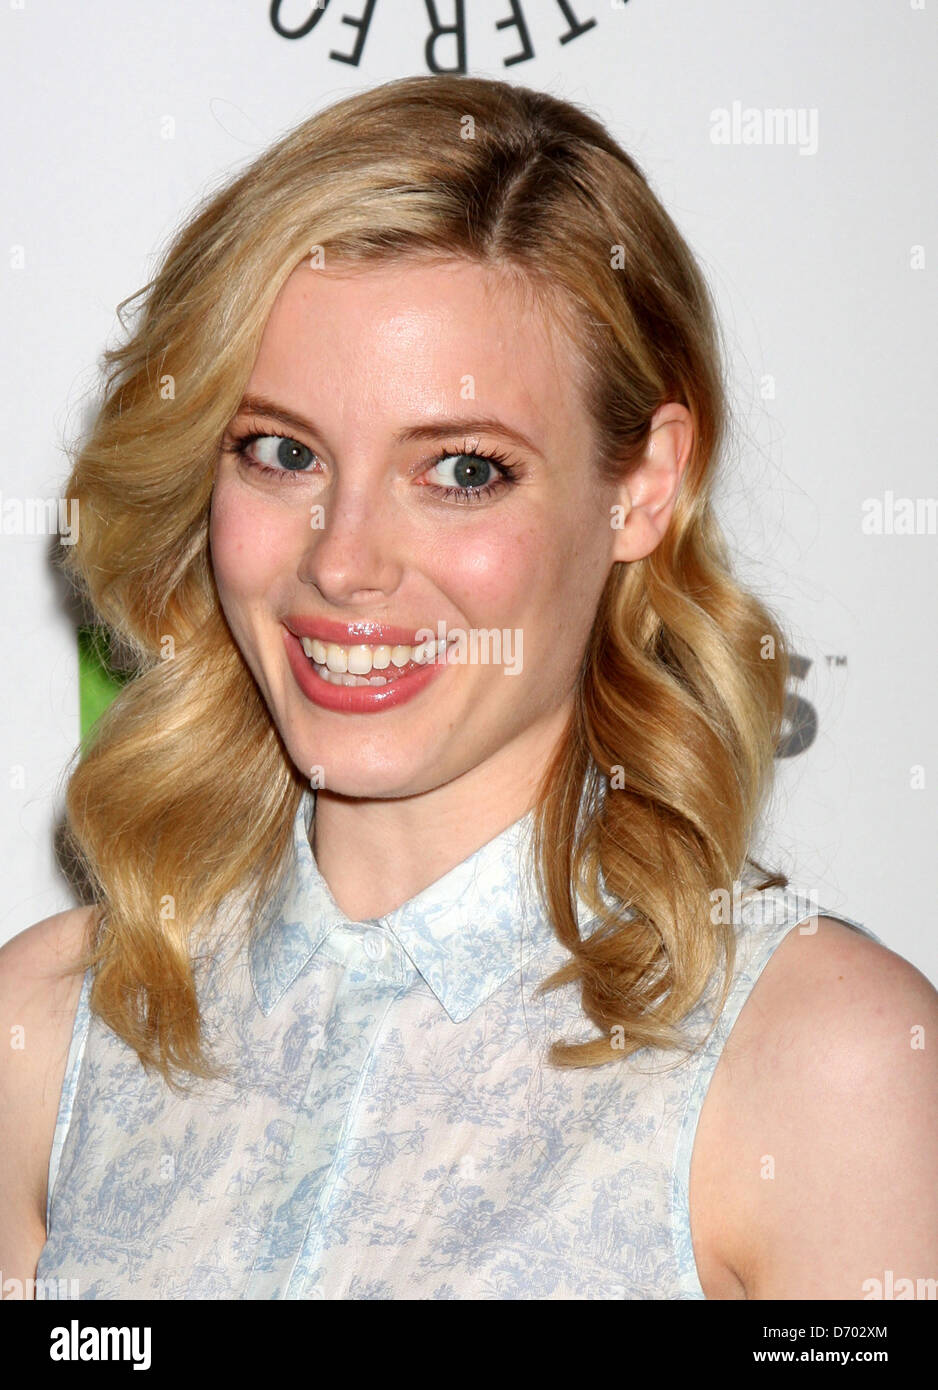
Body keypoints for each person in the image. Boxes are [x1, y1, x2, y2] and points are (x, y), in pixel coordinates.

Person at [1, 73, 936, 1302]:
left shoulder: (822, 1066)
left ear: (642, 486)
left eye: (460, 470)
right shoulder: (51, 1033)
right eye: (281, 451)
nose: (343, 561)